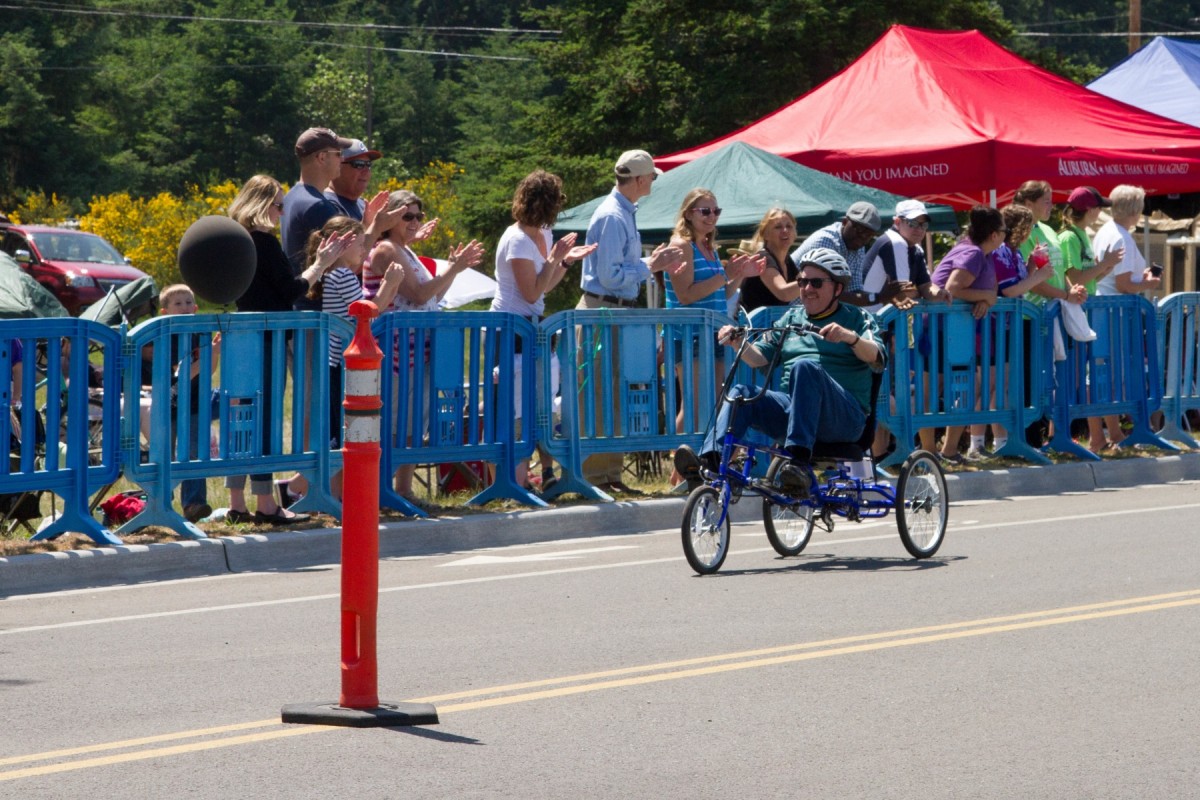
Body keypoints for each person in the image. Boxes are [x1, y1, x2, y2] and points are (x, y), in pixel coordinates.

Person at [674, 248, 885, 497]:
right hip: (796, 414)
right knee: (741, 394)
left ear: (838, 288)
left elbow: (876, 355)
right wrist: (737, 342)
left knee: (804, 367)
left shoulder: (857, 318)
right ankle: (710, 462)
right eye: (802, 282)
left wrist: (850, 338)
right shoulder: (791, 319)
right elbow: (759, 358)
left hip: (843, 419)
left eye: (816, 282)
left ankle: (799, 465)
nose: (807, 289)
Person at [225, 174, 351, 525]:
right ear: (261, 205)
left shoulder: (237, 242)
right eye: (278, 206)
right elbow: (290, 290)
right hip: (268, 338)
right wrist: (321, 264)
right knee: (263, 418)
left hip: (242, 338)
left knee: (241, 421)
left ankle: (237, 501)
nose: (281, 213)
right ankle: (265, 504)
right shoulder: (262, 242)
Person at [366, 189, 485, 504]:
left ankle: (402, 491)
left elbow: (434, 296)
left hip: (417, 352)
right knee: (395, 426)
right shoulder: (386, 250)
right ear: (390, 218)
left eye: (418, 215)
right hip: (396, 354)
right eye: (407, 216)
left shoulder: (406, 250)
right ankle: (378, 492)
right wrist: (454, 268)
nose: (415, 221)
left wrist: (454, 270)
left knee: (413, 426)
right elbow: (418, 295)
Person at [576, 149, 684, 494]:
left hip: (612, 310)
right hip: (602, 309)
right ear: (639, 180)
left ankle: (608, 476)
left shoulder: (621, 213)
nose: (653, 181)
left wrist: (649, 263)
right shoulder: (613, 216)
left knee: (611, 392)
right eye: (651, 176)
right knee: (596, 393)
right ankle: (596, 477)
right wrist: (650, 264)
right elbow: (609, 276)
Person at [490, 170, 596, 491]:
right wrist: (554, 259)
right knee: (516, 409)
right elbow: (531, 293)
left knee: (538, 407)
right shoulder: (518, 239)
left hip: (531, 329)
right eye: (557, 200)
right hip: (510, 331)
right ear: (545, 203)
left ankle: (525, 482)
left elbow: (545, 286)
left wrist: (561, 263)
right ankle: (513, 484)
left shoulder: (544, 234)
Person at [664, 188, 764, 485]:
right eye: (705, 211)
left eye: (715, 211)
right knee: (694, 403)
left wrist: (740, 273)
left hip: (714, 332)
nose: (711, 217)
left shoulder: (709, 247)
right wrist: (725, 274)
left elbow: (722, 293)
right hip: (691, 333)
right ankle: (679, 473)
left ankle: (689, 470)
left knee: (716, 402)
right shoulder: (680, 245)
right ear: (688, 214)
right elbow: (685, 294)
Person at [963, 204, 1054, 458]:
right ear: (1020, 229)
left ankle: (1001, 442)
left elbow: (1019, 281)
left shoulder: (1012, 251)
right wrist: (1039, 277)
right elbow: (1010, 290)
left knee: (1001, 387)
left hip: (1003, 329)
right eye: (1028, 228)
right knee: (990, 386)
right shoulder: (1001, 251)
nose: (1029, 233)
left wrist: (1033, 265)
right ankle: (976, 444)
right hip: (989, 328)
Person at [925, 205, 1006, 465]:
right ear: (994, 234)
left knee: (968, 388)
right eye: (1004, 231)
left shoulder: (982, 253)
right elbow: (951, 288)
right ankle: (928, 453)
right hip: (939, 328)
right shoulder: (971, 252)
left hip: (956, 331)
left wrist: (984, 299)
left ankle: (948, 451)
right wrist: (984, 297)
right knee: (932, 389)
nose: (1006, 235)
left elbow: (987, 289)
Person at [1059, 186, 1126, 454]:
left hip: (1083, 315)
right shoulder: (1069, 238)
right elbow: (1074, 278)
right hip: (1074, 317)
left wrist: (1103, 269)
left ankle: (1098, 437)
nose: (1100, 212)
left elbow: (1086, 278)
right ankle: (1080, 437)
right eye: (1098, 207)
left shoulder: (1080, 236)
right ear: (1090, 210)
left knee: (1089, 377)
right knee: (1076, 379)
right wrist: (1104, 264)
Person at [154, 284, 219, 523]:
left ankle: (194, 504)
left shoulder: (198, 333)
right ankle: (161, 504)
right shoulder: (167, 337)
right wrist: (206, 357)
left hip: (194, 403)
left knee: (194, 451)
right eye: (178, 304)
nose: (184, 307)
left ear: (196, 308)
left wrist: (214, 353)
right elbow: (179, 377)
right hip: (168, 403)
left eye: (188, 302)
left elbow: (209, 370)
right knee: (165, 454)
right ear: (165, 312)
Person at [280, 127, 353, 276]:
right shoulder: (317, 206)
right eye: (338, 154)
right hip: (314, 297)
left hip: (298, 295)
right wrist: (376, 228)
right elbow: (348, 264)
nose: (343, 159)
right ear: (322, 157)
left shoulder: (290, 197)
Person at [859, 200, 946, 313]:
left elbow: (925, 286)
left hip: (882, 320)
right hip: (870, 321)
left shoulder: (916, 249)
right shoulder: (895, 242)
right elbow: (904, 293)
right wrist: (920, 292)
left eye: (923, 225)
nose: (919, 230)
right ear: (897, 222)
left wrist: (940, 293)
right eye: (913, 223)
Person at [791, 201, 881, 301]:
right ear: (845, 222)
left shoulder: (858, 246)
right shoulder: (826, 241)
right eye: (859, 230)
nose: (863, 237)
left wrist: (881, 297)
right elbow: (830, 292)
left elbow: (854, 289)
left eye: (869, 234)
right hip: (788, 308)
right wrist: (878, 298)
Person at [1094, 185, 1159, 298]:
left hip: (1100, 303)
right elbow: (1124, 286)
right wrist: (1149, 284)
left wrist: (1139, 275)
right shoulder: (1122, 238)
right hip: (1116, 309)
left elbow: (1113, 275)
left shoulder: (1105, 230)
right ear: (1135, 211)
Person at [739, 208, 799, 311]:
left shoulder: (787, 260)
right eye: (778, 227)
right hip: (753, 324)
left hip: (774, 323)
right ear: (765, 235)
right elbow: (784, 293)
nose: (785, 230)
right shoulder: (763, 258)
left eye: (789, 226)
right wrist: (812, 280)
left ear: (795, 233)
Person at [325, 139, 382, 220]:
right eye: (359, 164)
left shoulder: (364, 206)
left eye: (368, 164)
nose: (366, 171)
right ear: (338, 165)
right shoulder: (326, 205)